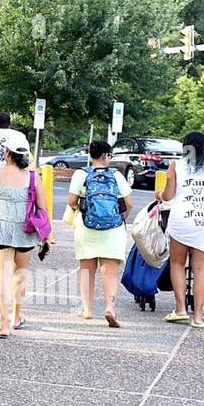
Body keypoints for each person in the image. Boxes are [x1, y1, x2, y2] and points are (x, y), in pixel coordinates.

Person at [0, 142, 47, 338]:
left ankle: (4, 324)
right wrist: (46, 233)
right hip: (25, 231)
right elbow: (42, 207)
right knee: (20, 274)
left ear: (7, 154)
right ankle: (17, 316)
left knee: (3, 277)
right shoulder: (32, 177)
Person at [157, 131, 204, 329]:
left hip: (182, 219)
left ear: (186, 147)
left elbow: (168, 196)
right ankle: (199, 317)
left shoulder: (177, 165)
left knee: (177, 263)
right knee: (201, 268)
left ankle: (181, 310)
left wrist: (158, 194)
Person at [66, 140, 133, 327]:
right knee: (109, 271)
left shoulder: (81, 174)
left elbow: (71, 200)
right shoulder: (117, 175)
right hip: (113, 228)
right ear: (105, 156)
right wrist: (120, 219)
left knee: (87, 268)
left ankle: (87, 309)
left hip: (86, 225)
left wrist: (80, 210)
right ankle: (110, 307)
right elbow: (129, 204)